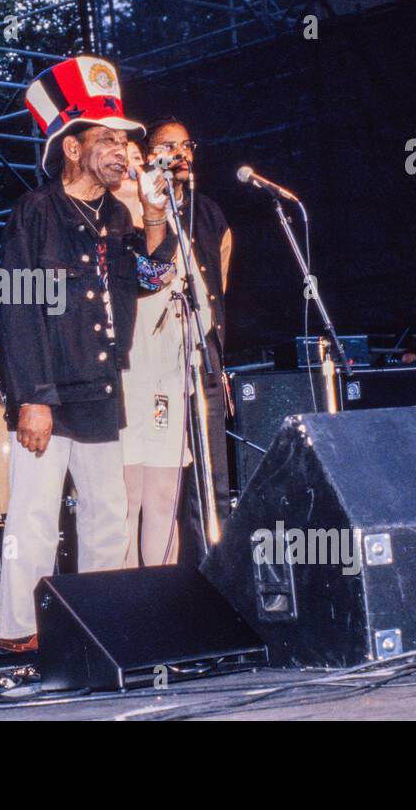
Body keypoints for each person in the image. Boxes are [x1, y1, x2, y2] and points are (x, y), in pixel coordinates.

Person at [0, 57, 174, 653]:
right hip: (48, 390)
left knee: (107, 517)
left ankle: (103, 628)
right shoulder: (36, 212)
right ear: (72, 148)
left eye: (124, 139)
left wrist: (152, 215)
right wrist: (33, 400)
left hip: (100, 388)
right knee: (35, 518)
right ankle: (21, 633)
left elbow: (151, 278)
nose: (122, 149)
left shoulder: (119, 216)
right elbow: (19, 311)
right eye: (108, 139)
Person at [144, 117, 235, 565]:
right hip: (154, 366)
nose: (181, 154)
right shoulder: (133, 209)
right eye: (168, 146)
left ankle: (217, 573)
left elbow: (215, 292)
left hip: (203, 361)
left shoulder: (211, 213)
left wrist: (217, 358)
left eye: (186, 145)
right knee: (163, 482)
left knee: (213, 478)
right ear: (148, 155)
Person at [113, 138, 185, 566]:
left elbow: (198, 305)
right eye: (125, 163)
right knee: (126, 498)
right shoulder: (106, 230)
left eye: (140, 161)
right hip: (122, 377)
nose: (134, 169)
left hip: (166, 381)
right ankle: (123, 603)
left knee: (163, 498)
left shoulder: (172, 227)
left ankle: (163, 597)